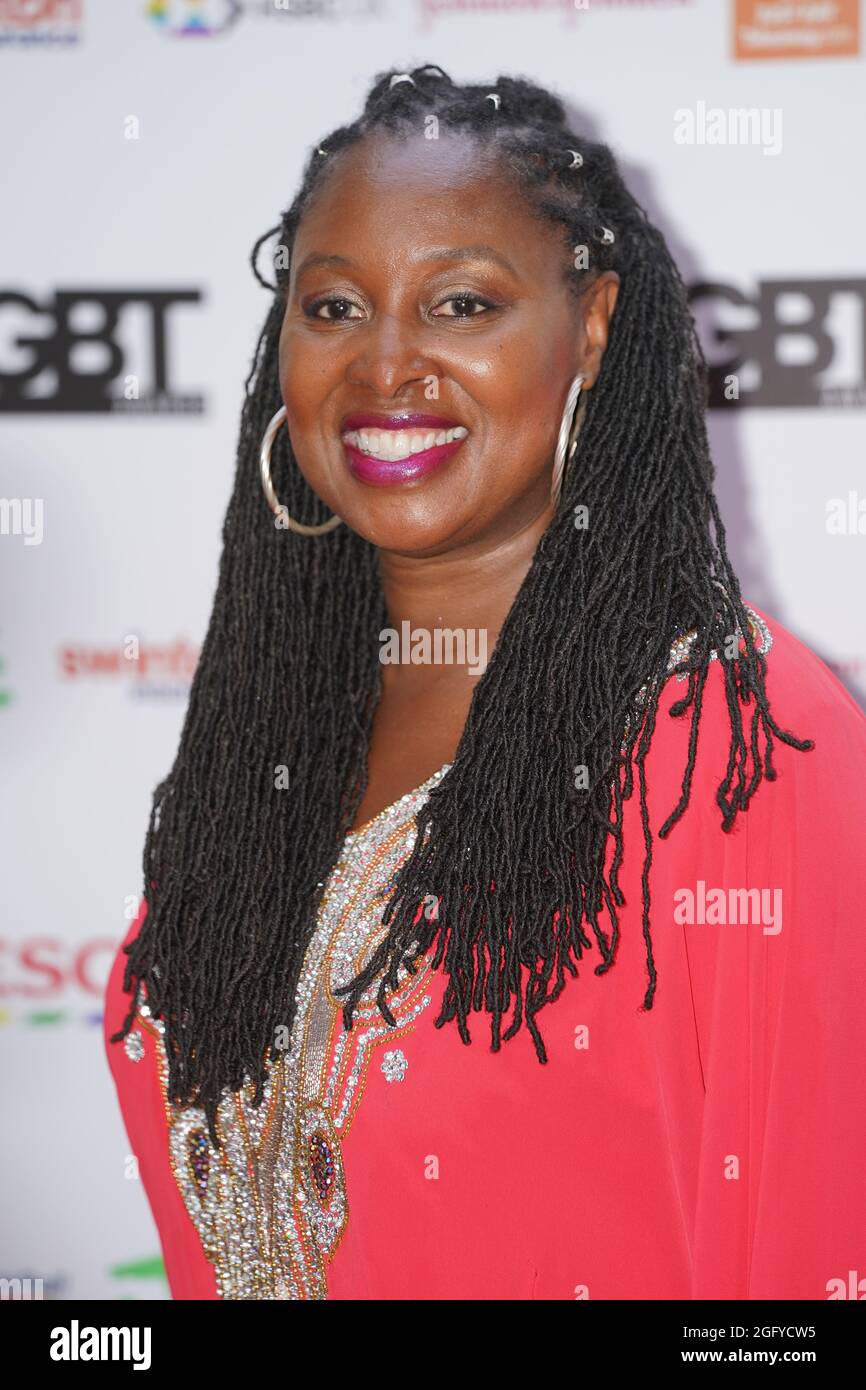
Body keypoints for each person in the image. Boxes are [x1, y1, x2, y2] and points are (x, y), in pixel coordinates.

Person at [104, 64, 866, 1301]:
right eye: (334, 307)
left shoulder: (728, 743)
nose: (385, 365)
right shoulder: (263, 737)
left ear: (595, 326)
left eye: (460, 304)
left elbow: (808, 1266)